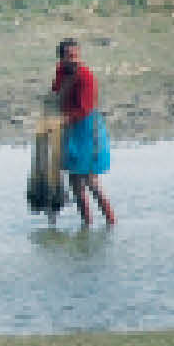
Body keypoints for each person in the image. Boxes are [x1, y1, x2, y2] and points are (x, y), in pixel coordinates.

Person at [50, 38, 116, 227]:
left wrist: (62, 120)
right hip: (70, 128)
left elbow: (85, 109)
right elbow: (56, 91)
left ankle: (111, 221)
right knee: (74, 180)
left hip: (87, 129)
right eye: (70, 56)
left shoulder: (86, 76)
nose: (74, 60)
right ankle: (86, 223)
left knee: (90, 179)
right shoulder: (61, 70)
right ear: (62, 58)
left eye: (76, 56)